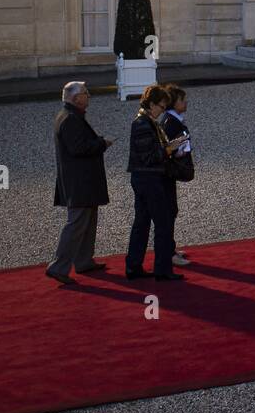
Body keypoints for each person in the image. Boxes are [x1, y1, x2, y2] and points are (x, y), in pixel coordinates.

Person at [47, 81, 112, 284]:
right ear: (75, 98)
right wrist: (101, 143)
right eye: (85, 93)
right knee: (76, 224)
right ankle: (58, 266)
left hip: (81, 180)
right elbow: (78, 148)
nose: (89, 95)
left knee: (88, 220)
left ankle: (83, 261)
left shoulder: (69, 116)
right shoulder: (71, 119)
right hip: (80, 181)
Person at [126, 85, 186, 280]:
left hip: (144, 178)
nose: (162, 110)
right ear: (151, 104)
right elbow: (149, 156)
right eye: (161, 106)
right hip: (148, 178)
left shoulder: (147, 121)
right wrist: (169, 149)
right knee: (163, 223)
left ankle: (134, 266)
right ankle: (162, 269)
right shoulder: (143, 124)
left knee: (142, 223)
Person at [161, 84, 193, 266]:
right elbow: (169, 149)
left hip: (170, 172)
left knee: (171, 210)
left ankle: (170, 248)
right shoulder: (170, 123)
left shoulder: (174, 120)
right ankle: (168, 252)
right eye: (182, 99)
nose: (185, 102)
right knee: (168, 212)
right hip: (168, 172)